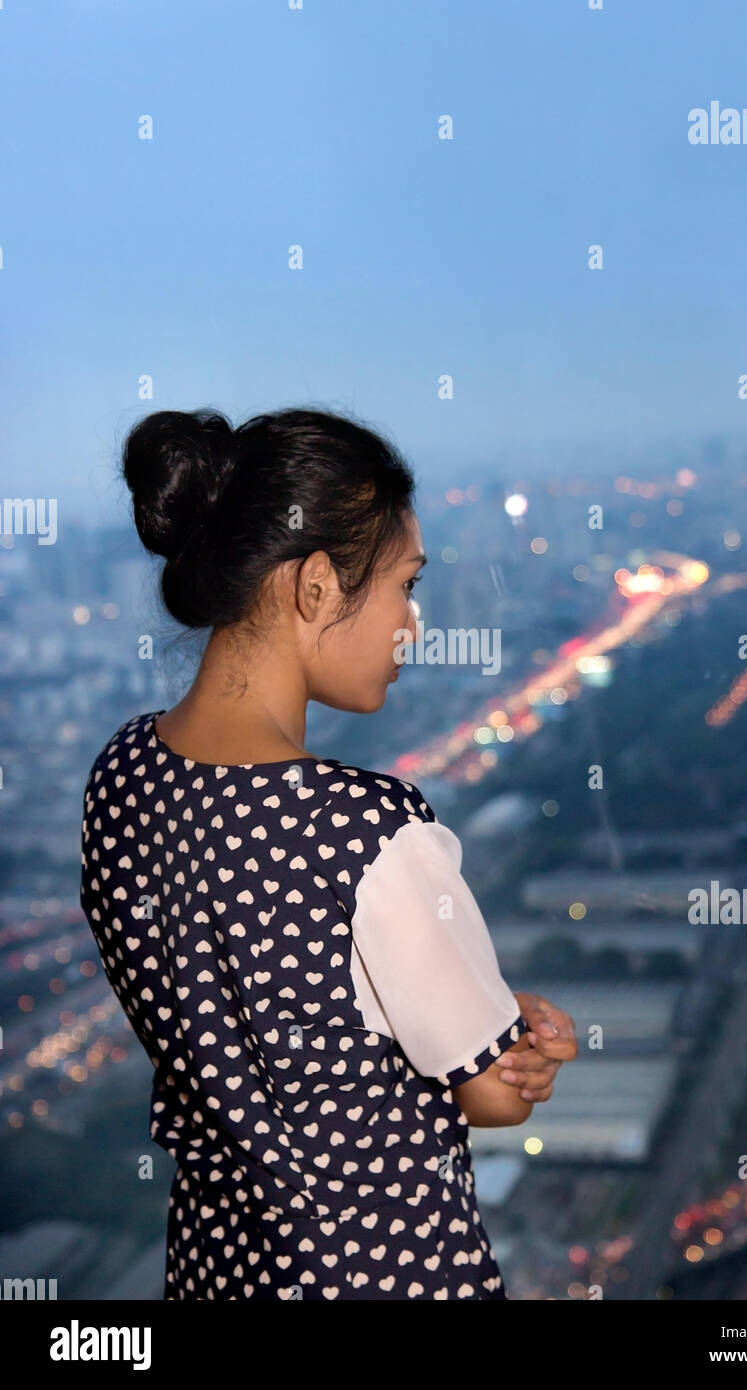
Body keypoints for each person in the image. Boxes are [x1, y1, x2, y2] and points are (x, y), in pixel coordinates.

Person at [80, 405, 577, 1301]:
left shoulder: (120, 778)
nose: (413, 625)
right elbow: (494, 1094)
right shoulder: (368, 830)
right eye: (406, 585)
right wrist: (509, 1037)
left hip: (216, 1269)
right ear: (314, 588)